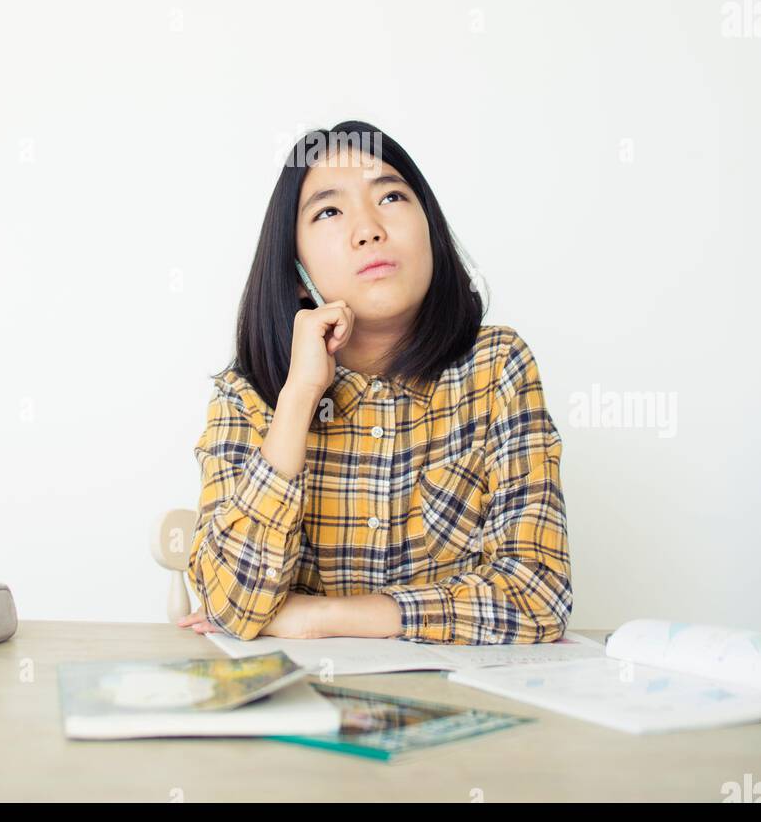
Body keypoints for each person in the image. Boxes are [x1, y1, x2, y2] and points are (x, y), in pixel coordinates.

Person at [179, 120, 572, 646]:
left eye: (390, 196)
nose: (368, 229)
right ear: (297, 271)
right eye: (329, 211)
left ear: (429, 229)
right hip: (298, 706)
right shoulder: (247, 395)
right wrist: (297, 398)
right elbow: (230, 604)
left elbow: (538, 595)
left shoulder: (497, 368)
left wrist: (317, 617)